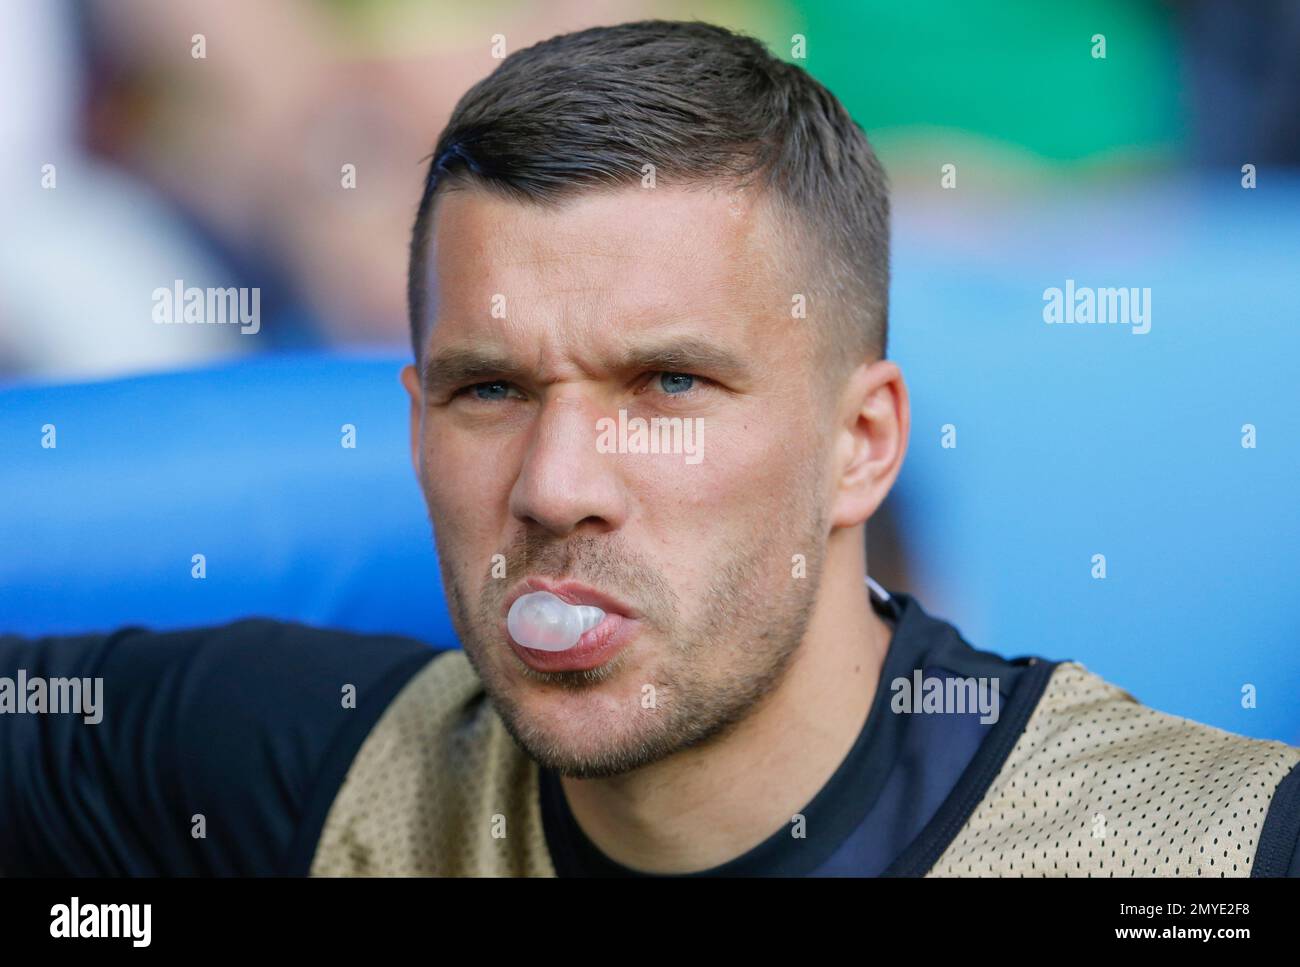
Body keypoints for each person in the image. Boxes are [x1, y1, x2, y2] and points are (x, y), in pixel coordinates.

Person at [2, 19, 1297, 877]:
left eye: (669, 384)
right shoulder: (286, 771)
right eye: (490, 391)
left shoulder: (1203, 856)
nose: (559, 485)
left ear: (861, 443)